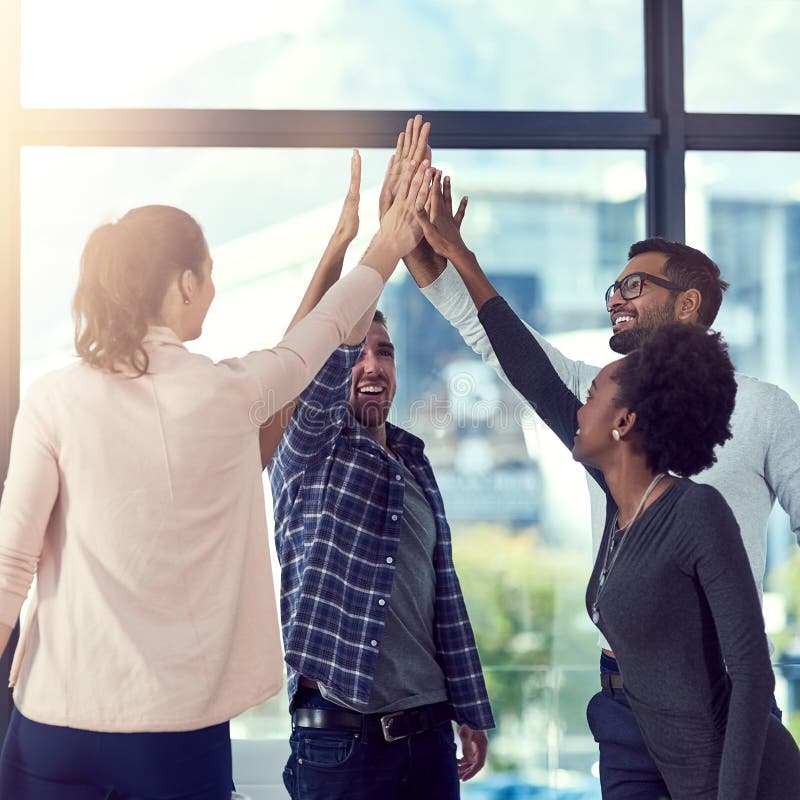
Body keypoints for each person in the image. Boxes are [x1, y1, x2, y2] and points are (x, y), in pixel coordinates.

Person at [0, 151, 434, 799]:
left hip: (55, 725)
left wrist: (354, 240)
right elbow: (325, 329)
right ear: (182, 284)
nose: (211, 287)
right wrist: (386, 242)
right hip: (177, 738)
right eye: (208, 274)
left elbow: (11, 566)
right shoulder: (231, 394)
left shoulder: (53, 398)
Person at [406, 177, 800, 798]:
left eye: (634, 285)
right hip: (624, 703)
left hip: (717, 703)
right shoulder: (606, 415)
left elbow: (751, 666)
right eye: (614, 284)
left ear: (689, 303)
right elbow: (504, 347)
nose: (616, 296)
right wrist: (423, 254)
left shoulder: (762, 411)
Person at [265, 116, 494, 800]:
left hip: (427, 739)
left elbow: (441, 596)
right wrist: (371, 241)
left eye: (385, 351)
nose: (370, 364)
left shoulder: (417, 461)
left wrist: (469, 708)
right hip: (340, 742)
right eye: (358, 350)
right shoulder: (308, 447)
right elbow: (313, 357)